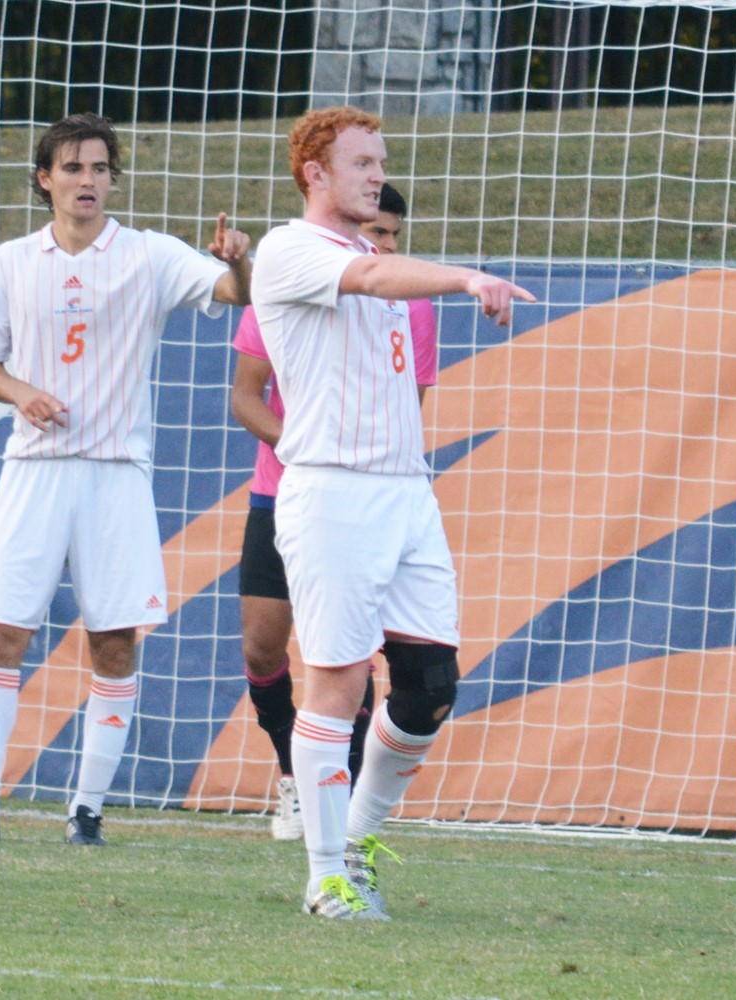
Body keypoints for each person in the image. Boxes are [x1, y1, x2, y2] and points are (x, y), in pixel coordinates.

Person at [0, 112, 252, 847]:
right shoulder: (14, 260)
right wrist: (22, 393)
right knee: (0, 634)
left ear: (113, 179)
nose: (88, 180)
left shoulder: (148, 256)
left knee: (113, 642)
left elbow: (237, 294)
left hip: (115, 475)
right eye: (74, 167)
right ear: (45, 178)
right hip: (34, 471)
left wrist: (238, 258)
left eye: (100, 168)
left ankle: (86, 811)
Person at [250, 107, 532, 919]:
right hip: (333, 492)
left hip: (406, 493)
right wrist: (470, 276)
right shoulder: (293, 248)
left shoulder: (379, 260)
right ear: (315, 173)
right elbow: (370, 281)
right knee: (336, 682)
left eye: (380, 162)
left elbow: (382, 288)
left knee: (429, 687)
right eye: (362, 163)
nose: (377, 174)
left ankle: (359, 849)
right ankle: (326, 874)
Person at [229, 182, 438, 841]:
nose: (384, 248)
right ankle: (293, 775)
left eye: (394, 239)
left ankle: (342, 809)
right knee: (263, 650)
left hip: (359, 504)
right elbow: (244, 396)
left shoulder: (415, 307)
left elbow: (409, 412)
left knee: (353, 657)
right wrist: (300, 446)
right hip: (281, 491)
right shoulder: (291, 281)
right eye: (376, 236)